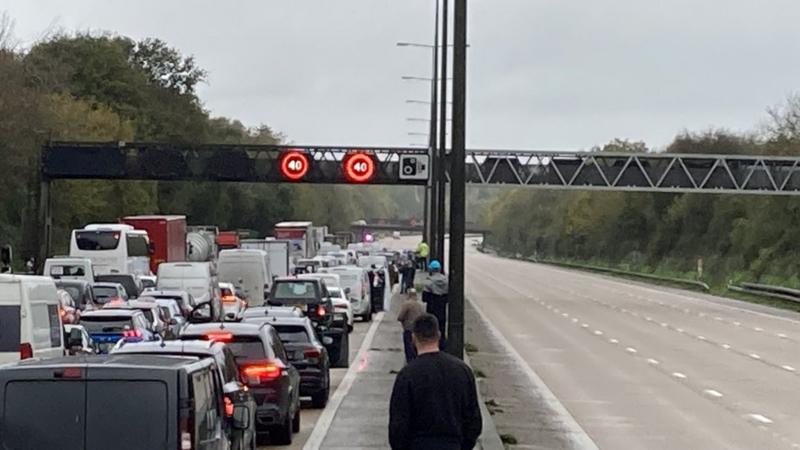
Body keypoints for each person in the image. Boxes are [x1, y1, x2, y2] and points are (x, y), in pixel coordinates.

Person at [389, 314, 482, 450]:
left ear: (413, 338)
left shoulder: (407, 375)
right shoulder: (462, 371)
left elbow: (398, 425)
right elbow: (473, 420)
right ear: (438, 335)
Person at [422, 260, 448, 346]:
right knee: (442, 327)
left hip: (432, 308)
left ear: (431, 270)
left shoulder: (429, 281)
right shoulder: (446, 280)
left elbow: (424, 298)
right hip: (442, 308)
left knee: (431, 328)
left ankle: (432, 345)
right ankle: (442, 344)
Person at [396, 288, 425, 363]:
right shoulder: (421, 305)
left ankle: (410, 362)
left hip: (408, 328)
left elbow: (400, 317)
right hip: (419, 329)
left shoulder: (407, 304)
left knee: (408, 348)